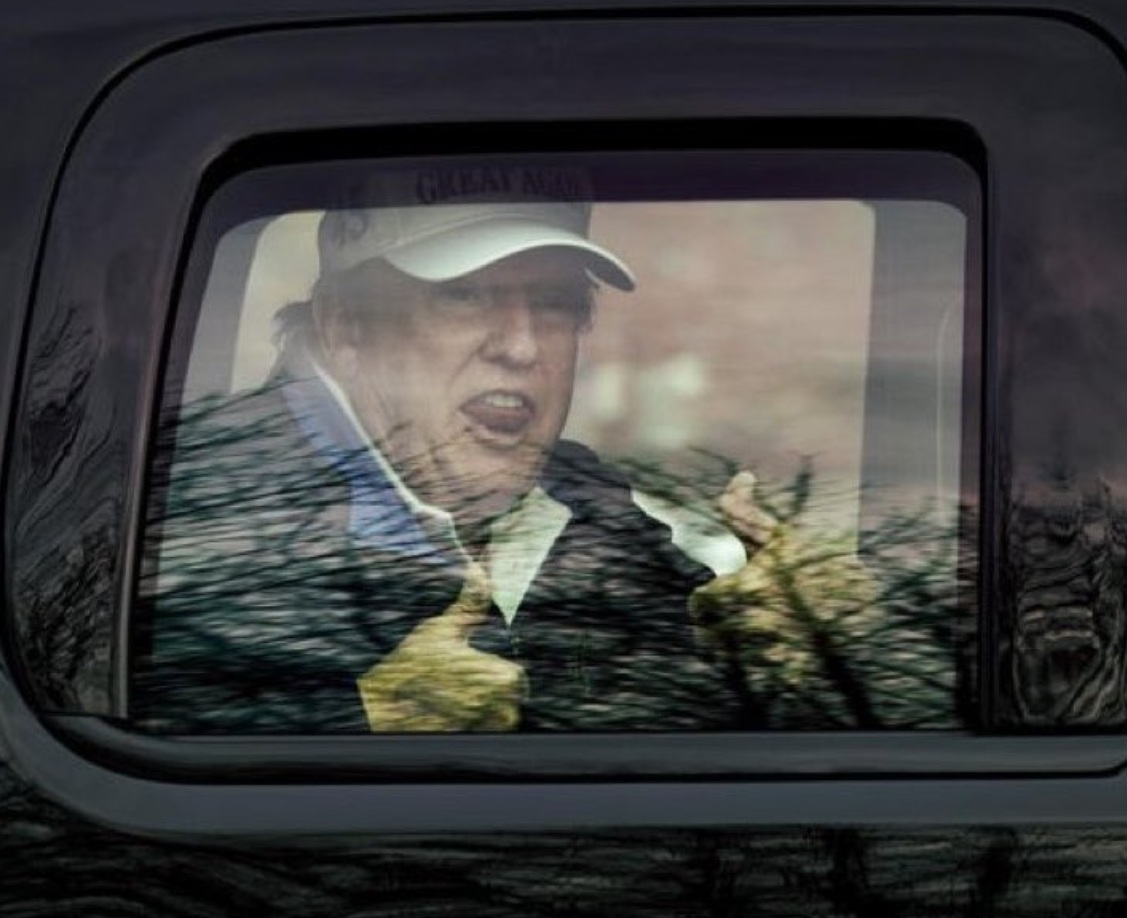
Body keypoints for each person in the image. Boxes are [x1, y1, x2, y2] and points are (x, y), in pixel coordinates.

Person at [134, 166, 777, 733]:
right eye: (464, 295)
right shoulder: (197, 516)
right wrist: (360, 731)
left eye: (553, 304)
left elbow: (707, 673)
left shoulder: (598, 506)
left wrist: (790, 645)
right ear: (345, 326)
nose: (521, 347)